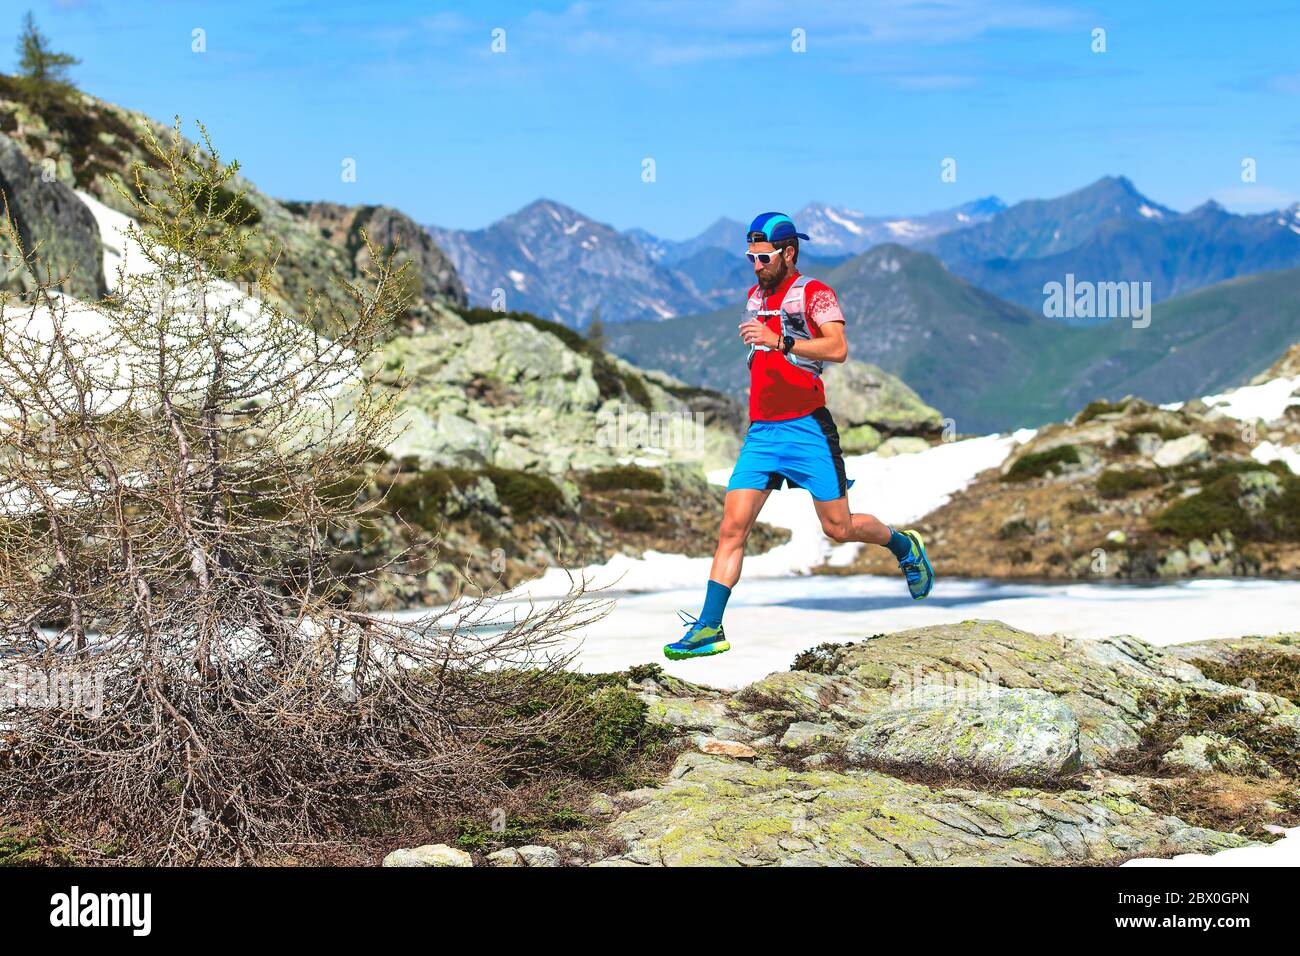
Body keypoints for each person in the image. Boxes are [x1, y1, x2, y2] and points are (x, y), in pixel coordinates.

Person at [664, 212, 934, 661]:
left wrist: (781, 342)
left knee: (839, 528)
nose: (755, 265)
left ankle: (904, 545)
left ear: (788, 252)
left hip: (807, 427)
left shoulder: (816, 293)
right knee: (731, 528)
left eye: (763, 256)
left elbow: (838, 349)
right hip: (762, 433)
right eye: (750, 256)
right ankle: (709, 626)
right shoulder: (754, 296)